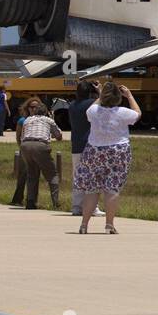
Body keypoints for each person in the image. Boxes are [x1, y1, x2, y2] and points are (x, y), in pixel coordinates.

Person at [78, 81, 141, 234]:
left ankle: (84, 224)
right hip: (118, 150)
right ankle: (109, 225)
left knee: (92, 190)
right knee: (112, 189)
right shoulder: (123, 112)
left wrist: (101, 93)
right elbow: (138, 114)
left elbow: (92, 108)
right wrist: (130, 95)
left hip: (94, 150)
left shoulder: (93, 111)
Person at [18, 98, 63, 210]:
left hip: (25, 146)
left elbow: (23, 135)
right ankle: (55, 202)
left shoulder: (27, 120)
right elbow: (59, 136)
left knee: (32, 173)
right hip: (40, 145)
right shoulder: (48, 120)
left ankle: (30, 201)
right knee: (52, 175)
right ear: (46, 112)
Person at [68, 81, 103, 218]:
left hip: (76, 145)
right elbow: (104, 101)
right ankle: (93, 208)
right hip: (90, 145)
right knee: (92, 178)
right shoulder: (91, 103)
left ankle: (77, 207)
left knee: (78, 177)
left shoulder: (72, 106)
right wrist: (100, 90)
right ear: (90, 92)